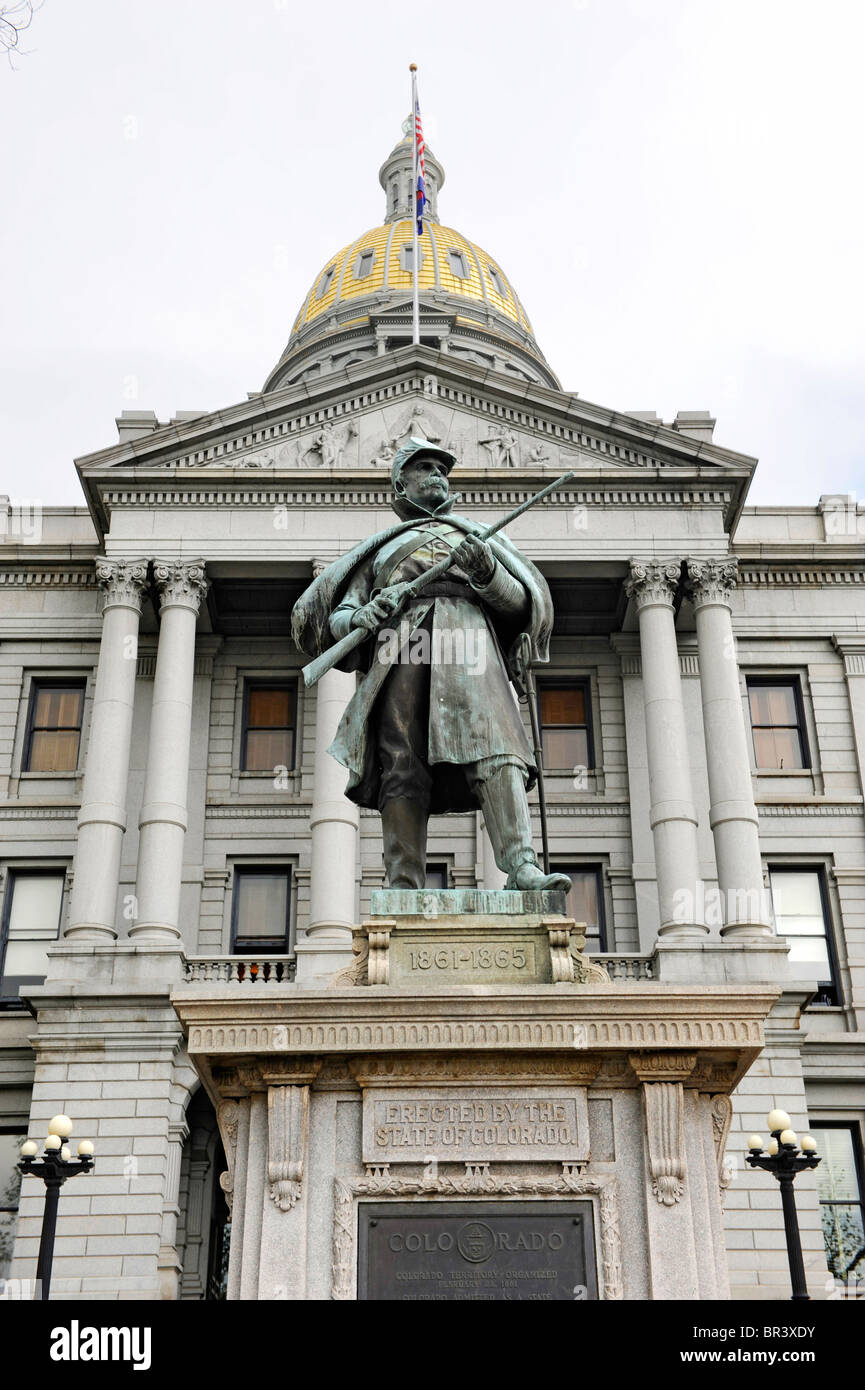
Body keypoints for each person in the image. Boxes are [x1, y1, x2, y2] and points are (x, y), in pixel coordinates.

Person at [291, 437, 570, 894]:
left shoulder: (478, 536)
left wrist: (487, 573)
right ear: (401, 483)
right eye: (425, 467)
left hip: (470, 644)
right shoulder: (382, 550)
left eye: (443, 469)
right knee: (401, 760)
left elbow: (521, 606)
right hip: (402, 650)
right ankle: (404, 884)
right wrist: (363, 615)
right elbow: (339, 614)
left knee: (498, 750)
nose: (438, 474)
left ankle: (521, 867)